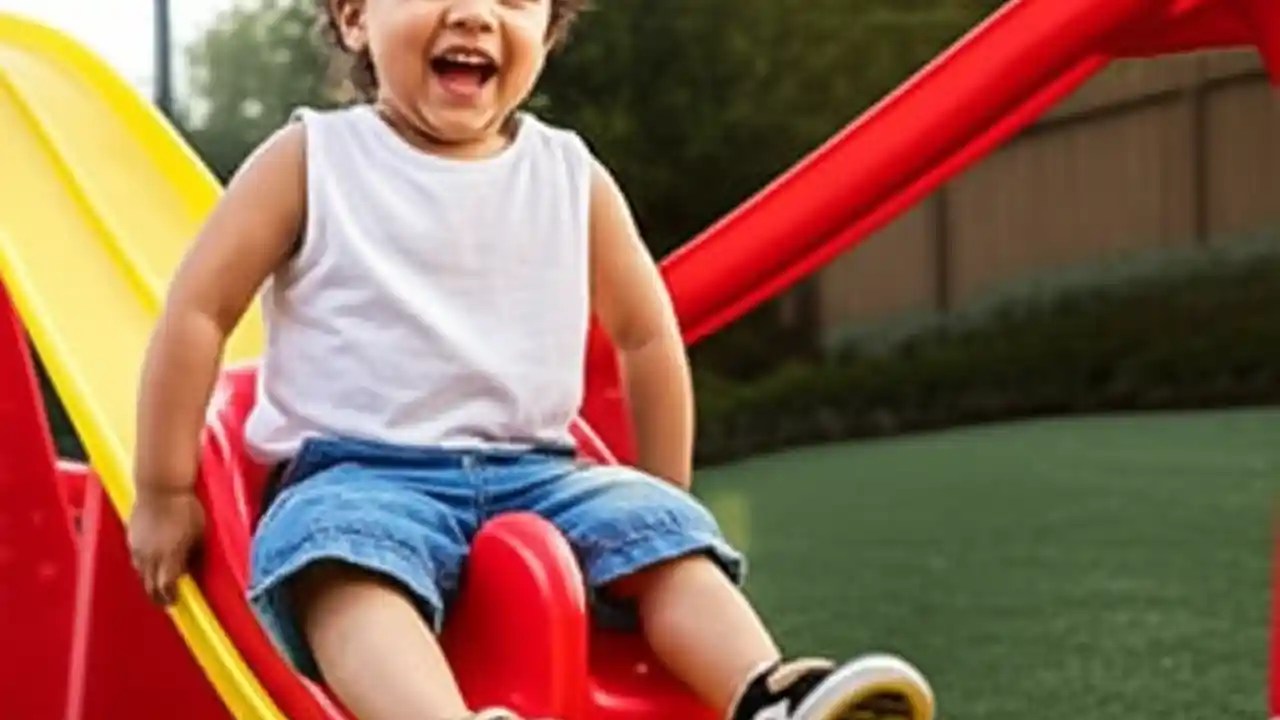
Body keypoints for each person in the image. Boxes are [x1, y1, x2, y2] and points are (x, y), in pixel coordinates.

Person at [126, 1, 937, 718]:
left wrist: (660, 495)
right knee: (337, 567)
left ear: (547, 32)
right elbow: (200, 311)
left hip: (542, 471)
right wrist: (163, 488)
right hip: (359, 472)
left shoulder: (569, 175)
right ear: (353, 17)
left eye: (514, 0)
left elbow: (646, 336)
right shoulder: (313, 160)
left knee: (669, 540)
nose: (477, 15)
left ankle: (767, 692)